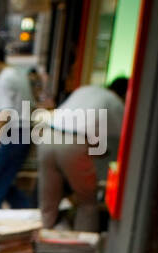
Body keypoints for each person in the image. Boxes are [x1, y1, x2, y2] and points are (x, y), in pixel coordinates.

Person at [38, 77, 127, 233]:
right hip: (74, 142)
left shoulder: (86, 89)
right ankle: (82, 247)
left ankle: (43, 245)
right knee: (87, 203)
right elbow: (117, 143)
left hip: (47, 136)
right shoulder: (116, 103)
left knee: (48, 204)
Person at [0, 40, 33, 209]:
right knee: (6, 182)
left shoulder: (4, 78)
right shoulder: (18, 74)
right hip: (24, 132)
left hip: (14, 134)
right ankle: (27, 213)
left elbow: (4, 114)